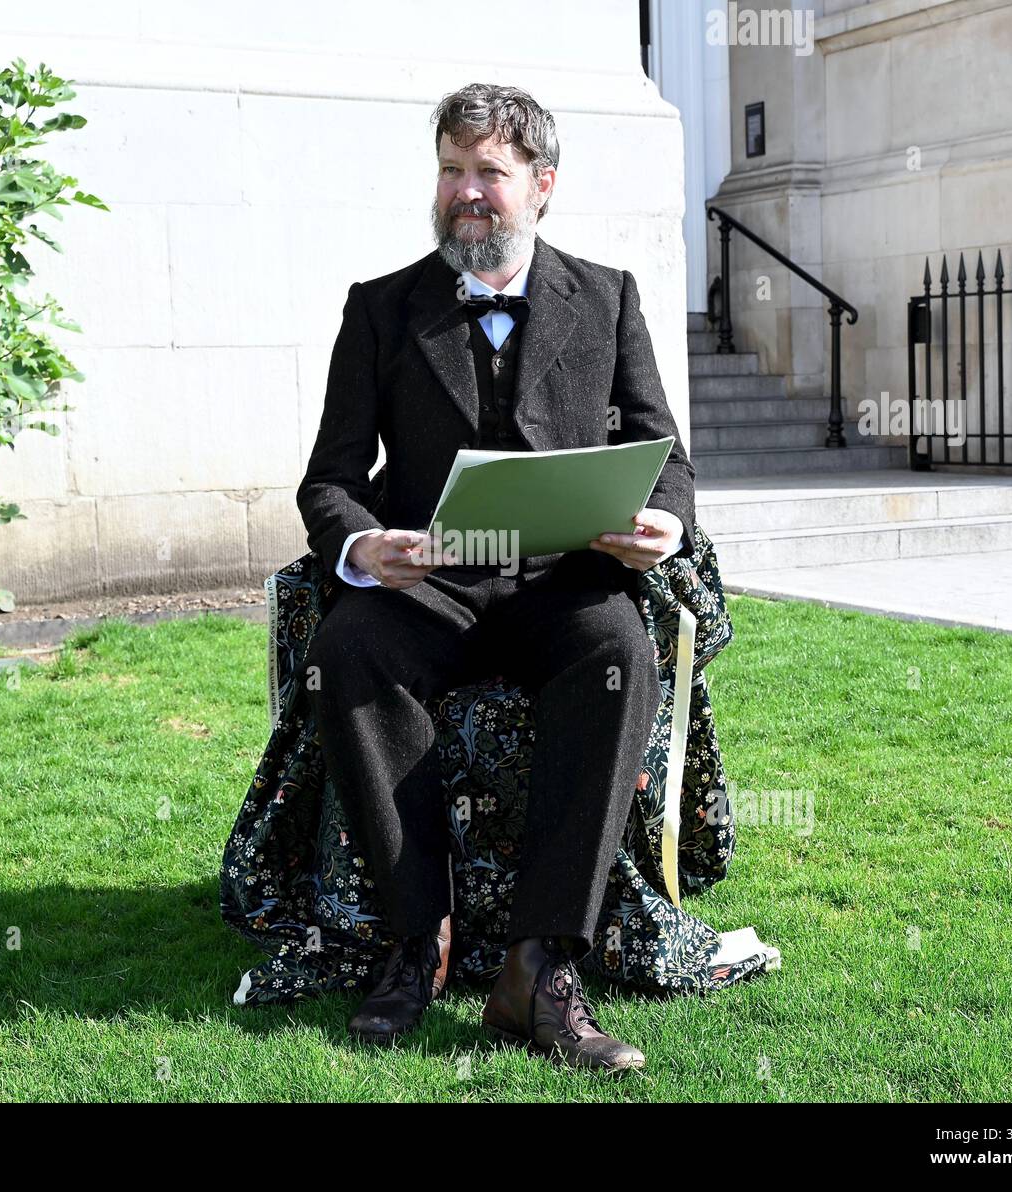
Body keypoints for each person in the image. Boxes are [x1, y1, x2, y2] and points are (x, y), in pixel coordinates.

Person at [295, 82, 697, 1072]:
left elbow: (663, 451)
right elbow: (330, 479)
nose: (466, 192)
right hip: (430, 582)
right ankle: (411, 937)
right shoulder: (380, 309)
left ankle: (539, 967)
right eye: (451, 170)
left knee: (618, 655)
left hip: (564, 583)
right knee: (351, 644)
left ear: (541, 185)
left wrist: (663, 524)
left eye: (489, 173)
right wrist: (362, 548)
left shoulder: (605, 297)